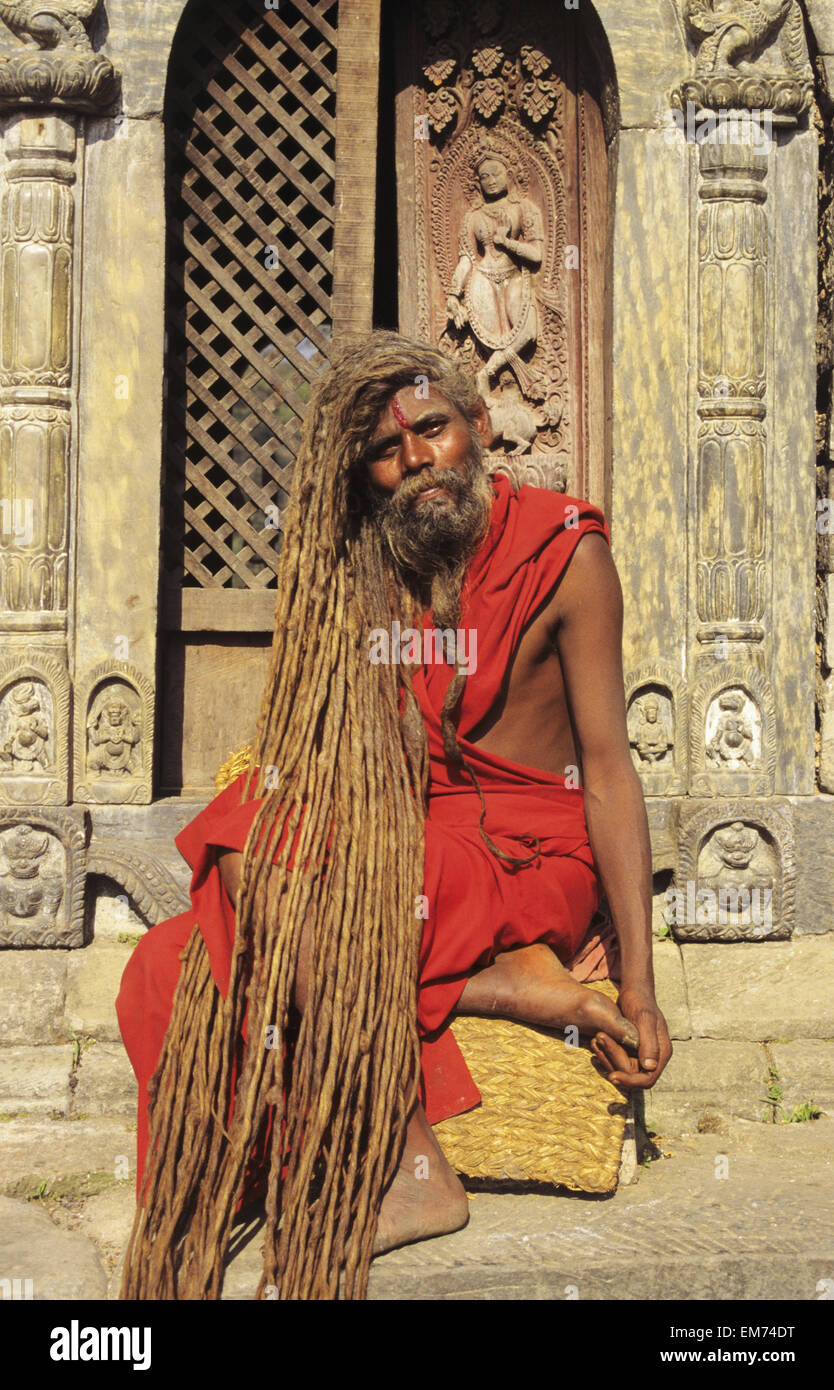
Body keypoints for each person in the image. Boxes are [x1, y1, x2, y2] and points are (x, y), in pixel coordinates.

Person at [116, 331, 672, 1300]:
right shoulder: (371, 568)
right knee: (171, 955)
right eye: (386, 448)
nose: (416, 459)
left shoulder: (565, 552)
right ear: (362, 474)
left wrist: (640, 974)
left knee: (273, 886)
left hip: (524, 850)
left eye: (432, 428)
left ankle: (407, 1168)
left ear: (478, 425)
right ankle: (488, 990)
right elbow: (330, 746)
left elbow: (612, 771)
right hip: (410, 834)